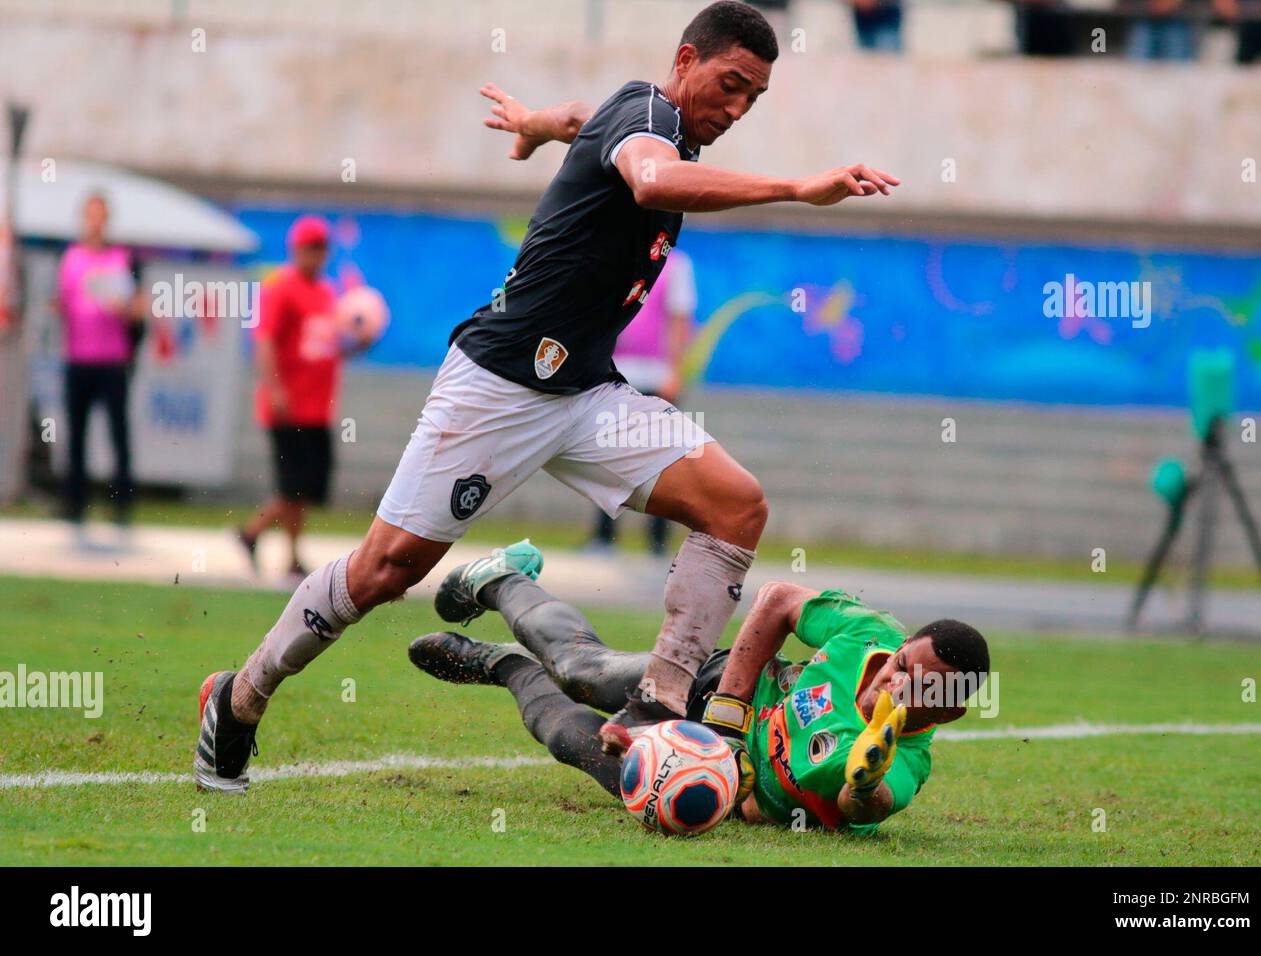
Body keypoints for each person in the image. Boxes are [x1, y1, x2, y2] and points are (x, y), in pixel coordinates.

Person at [195, 1, 901, 793]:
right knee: (386, 570)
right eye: (730, 84)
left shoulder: (641, 119)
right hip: (499, 382)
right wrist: (797, 187)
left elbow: (586, 118)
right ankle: (241, 694)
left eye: (754, 99)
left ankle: (657, 709)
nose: (737, 108)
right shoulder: (650, 117)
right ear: (685, 60)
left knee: (736, 506)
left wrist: (538, 122)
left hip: (585, 390)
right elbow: (651, 175)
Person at [410, 542, 991, 833]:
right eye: (904, 663)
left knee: (576, 742)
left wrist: (865, 781)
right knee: (585, 674)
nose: (897, 681)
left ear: (949, 711)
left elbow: (866, 803)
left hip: (716, 789)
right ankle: (502, 577)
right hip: (723, 691)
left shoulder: (906, 763)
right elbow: (777, 601)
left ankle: (505, 666)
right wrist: (730, 716)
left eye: (920, 687)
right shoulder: (867, 633)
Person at [235, 216, 350, 582]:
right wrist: (274, 388)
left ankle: (258, 537)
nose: (316, 255)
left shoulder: (326, 293)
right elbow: (264, 340)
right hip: (289, 405)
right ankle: (275, 546)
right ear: (295, 250)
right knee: (293, 485)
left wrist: (360, 343)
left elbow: (325, 347)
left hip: (317, 406)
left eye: (321, 248)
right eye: (309, 247)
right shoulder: (281, 289)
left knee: (305, 487)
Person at [586, 250, 697, 557]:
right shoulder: (620, 255)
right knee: (606, 457)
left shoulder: (677, 265)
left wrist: (675, 373)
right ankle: (603, 538)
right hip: (614, 372)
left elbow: (679, 321)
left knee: (663, 462)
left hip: (656, 376)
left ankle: (657, 542)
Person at [55, 192, 143, 533]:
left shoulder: (123, 258)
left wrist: (126, 308)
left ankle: (121, 504)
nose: (95, 222)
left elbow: (139, 307)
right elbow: (61, 303)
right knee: (75, 434)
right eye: (90, 215)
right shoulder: (72, 257)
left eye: (100, 215)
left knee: (118, 433)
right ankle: (74, 503)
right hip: (78, 358)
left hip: (112, 360)